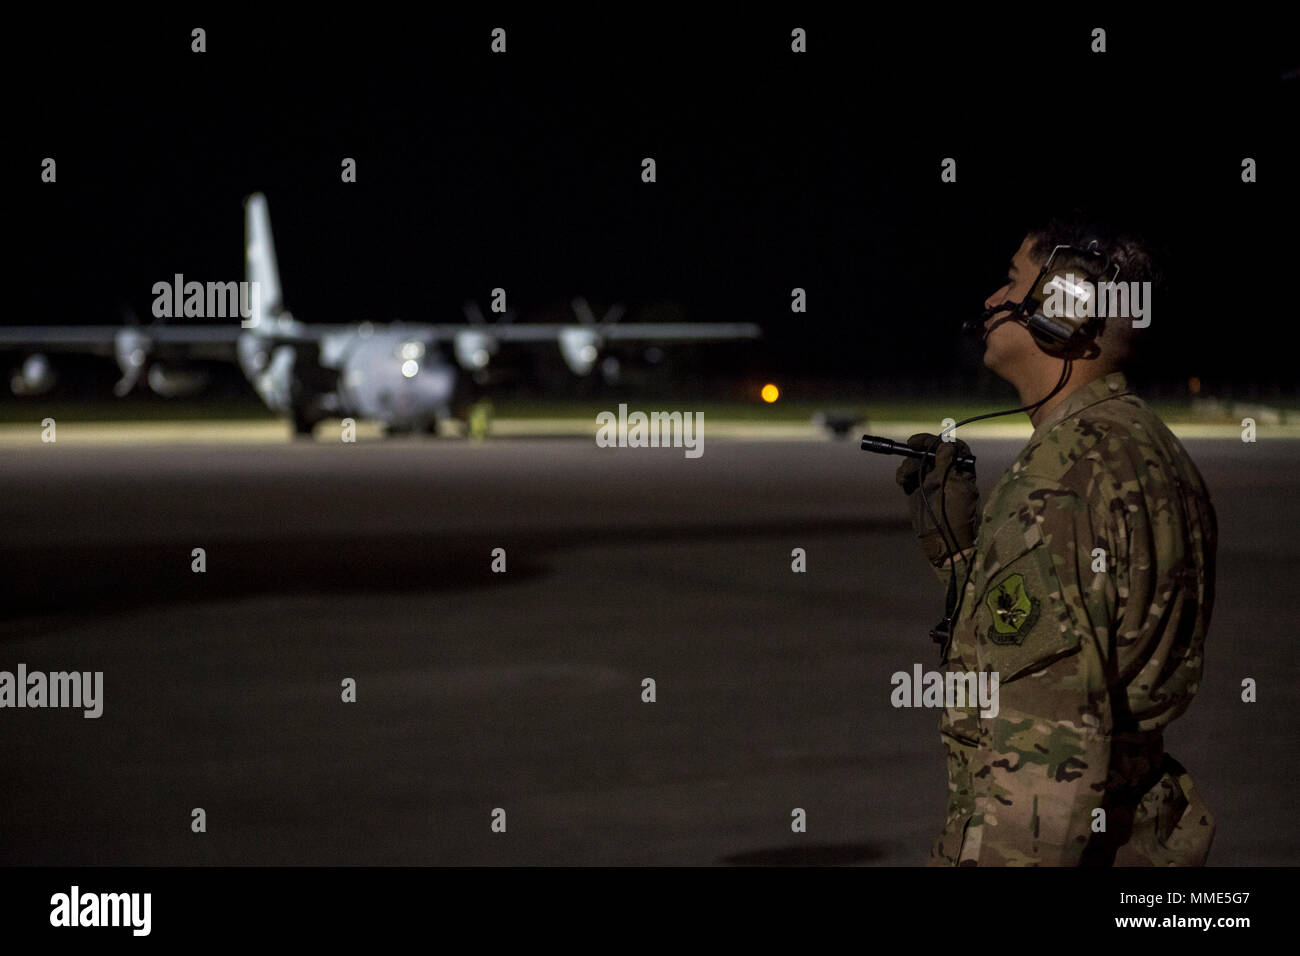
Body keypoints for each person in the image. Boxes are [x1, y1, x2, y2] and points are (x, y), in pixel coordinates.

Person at [896, 214, 1217, 865]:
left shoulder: (1058, 484)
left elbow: (1045, 768)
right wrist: (959, 556)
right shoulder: (1146, 448)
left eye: (1012, 280)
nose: (992, 299)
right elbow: (1091, 629)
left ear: (1064, 305)